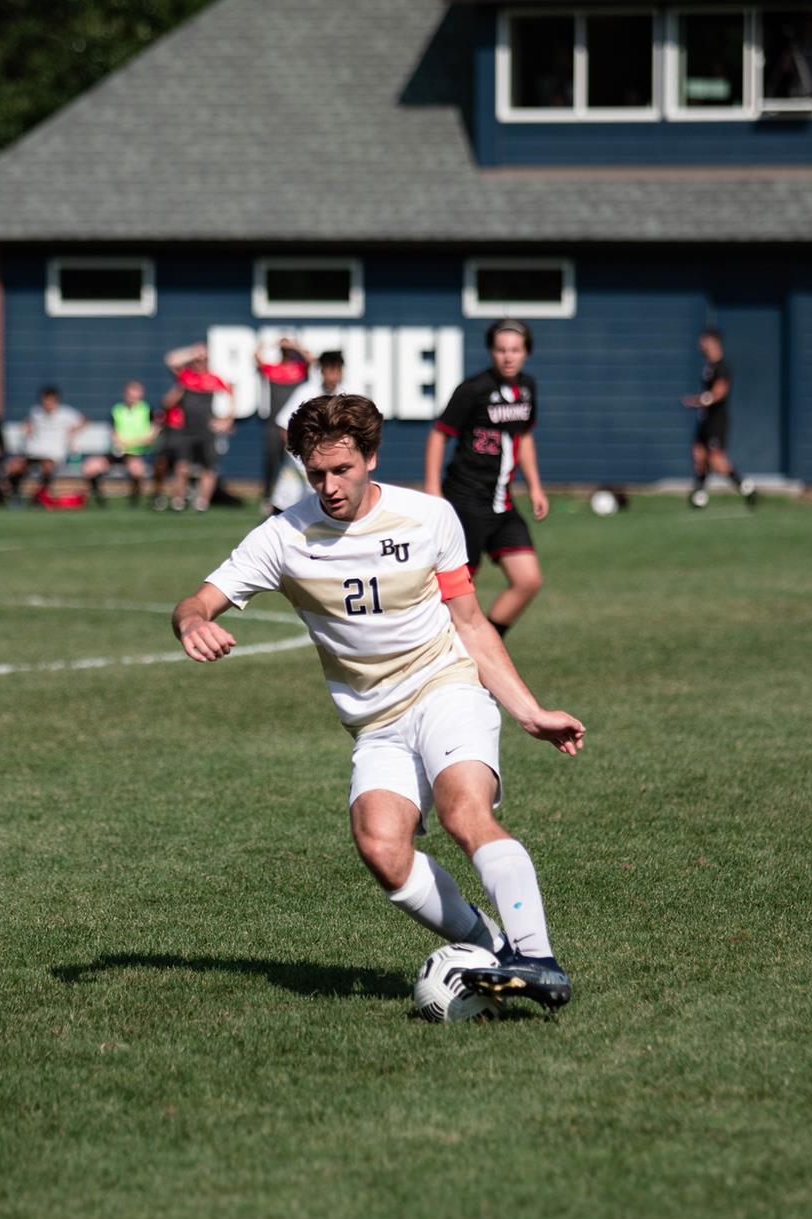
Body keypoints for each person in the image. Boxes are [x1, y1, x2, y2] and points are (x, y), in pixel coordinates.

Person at [171, 393, 585, 1011]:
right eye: (317, 474)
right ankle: (494, 950)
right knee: (381, 847)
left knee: (462, 812)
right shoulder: (282, 537)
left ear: (371, 457)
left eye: (343, 470)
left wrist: (529, 711)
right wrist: (191, 623)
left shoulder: (430, 518)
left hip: (446, 686)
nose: (330, 486)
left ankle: (539, 958)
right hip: (374, 720)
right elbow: (197, 600)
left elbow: (471, 624)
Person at [422, 318, 550, 638]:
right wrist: (433, 489)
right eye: (501, 350)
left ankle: (485, 647)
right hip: (466, 502)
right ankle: (434, 653)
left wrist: (535, 487)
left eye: (516, 350)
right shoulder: (473, 389)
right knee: (456, 590)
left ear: (526, 353)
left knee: (528, 580)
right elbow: (439, 435)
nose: (508, 356)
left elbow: (525, 438)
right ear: (491, 352)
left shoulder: (528, 388)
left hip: (502, 505)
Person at [273, 350, 357, 512]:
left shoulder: (347, 397)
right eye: (329, 370)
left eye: (337, 370)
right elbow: (283, 424)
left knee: (325, 507)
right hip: (300, 464)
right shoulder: (306, 392)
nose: (332, 375)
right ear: (322, 370)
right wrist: (298, 452)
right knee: (283, 508)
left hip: (332, 464)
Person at [683, 328, 753, 507]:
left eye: (704, 340)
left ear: (714, 342)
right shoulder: (708, 365)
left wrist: (700, 400)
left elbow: (720, 391)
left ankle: (747, 489)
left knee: (716, 461)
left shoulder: (722, 366)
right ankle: (699, 495)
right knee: (698, 453)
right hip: (705, 419)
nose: (701, 344)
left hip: (717, 420)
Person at [163, 344, 232, 512]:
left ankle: (202, 502)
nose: (200, 362)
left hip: (207, 430)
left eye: (203, 359)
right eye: (197, 360)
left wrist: (227, 420)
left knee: (208, 466)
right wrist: (193, 352)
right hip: (187, 429)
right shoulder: (186, 376)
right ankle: (178, 500)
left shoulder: (214, 379)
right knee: (182, 465)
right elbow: (170, 360)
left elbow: (229, 401)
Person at [255, 336, 310, 500]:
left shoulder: (299, 368)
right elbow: (256, 356)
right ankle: (267, 494)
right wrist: (273, 343)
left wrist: (295, 345)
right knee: (271, 458)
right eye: (284, 351)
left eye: (288, 351)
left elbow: (311, 360)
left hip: (296, 423)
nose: (287, 353)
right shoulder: (273, 369)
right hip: (274, 423)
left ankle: (303, 494)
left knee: (299, 459)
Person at [21, 386, 86, 505]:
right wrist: (27, 428)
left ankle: (39, 495)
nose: (48, 403)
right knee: (15, 466)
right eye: (45, 400)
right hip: (34, 452)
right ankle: (17, 497)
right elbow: (27, 423)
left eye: (51, 400)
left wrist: (72, 432)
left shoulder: (65, 413)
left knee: (47, 466)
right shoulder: (36, 412)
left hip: (53, 455)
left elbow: (84, 420)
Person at [96, 380, 155, 507]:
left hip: (137, 453)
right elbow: (114, 435)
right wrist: (120, 443)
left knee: (137, 471)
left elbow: (150, 438)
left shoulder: (147, 410)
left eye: (136, 393)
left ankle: (135, 499)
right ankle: (99, 499)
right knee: (90, 468)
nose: (133, 397)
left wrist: (128, 443)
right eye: (130, 393)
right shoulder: (117, 410)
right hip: (117, 452)